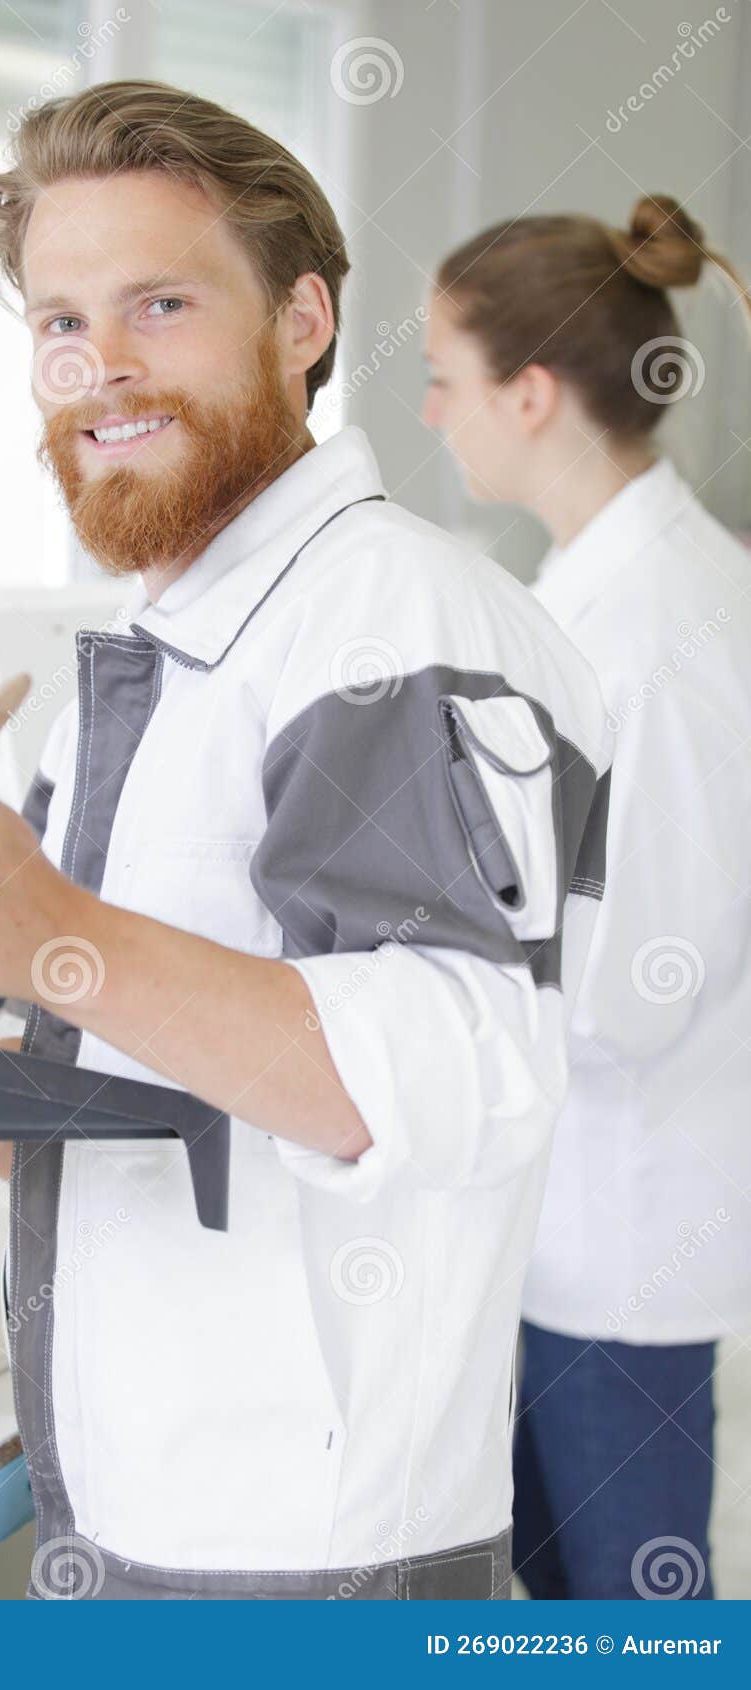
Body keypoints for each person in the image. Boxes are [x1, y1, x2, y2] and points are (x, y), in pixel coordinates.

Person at [0, 81, 610, 1601]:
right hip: (143, 1522)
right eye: (61, 321)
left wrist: (57, 927)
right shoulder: (173, 645)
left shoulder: (394, 626)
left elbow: (461, 1073)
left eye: (161, 304)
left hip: (311, 1572)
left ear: (303, 320)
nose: (100, 365)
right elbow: (187, 1101)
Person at [424, 193, 751, 1600]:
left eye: (444, 376)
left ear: (533, 392)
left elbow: (637, 990)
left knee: (632, 1625)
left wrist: (442, 948)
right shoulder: (602, 587)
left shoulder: (658, 634)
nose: (431, 412)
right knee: (566, 1605)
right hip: (571, 1220)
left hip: (622, 1234)